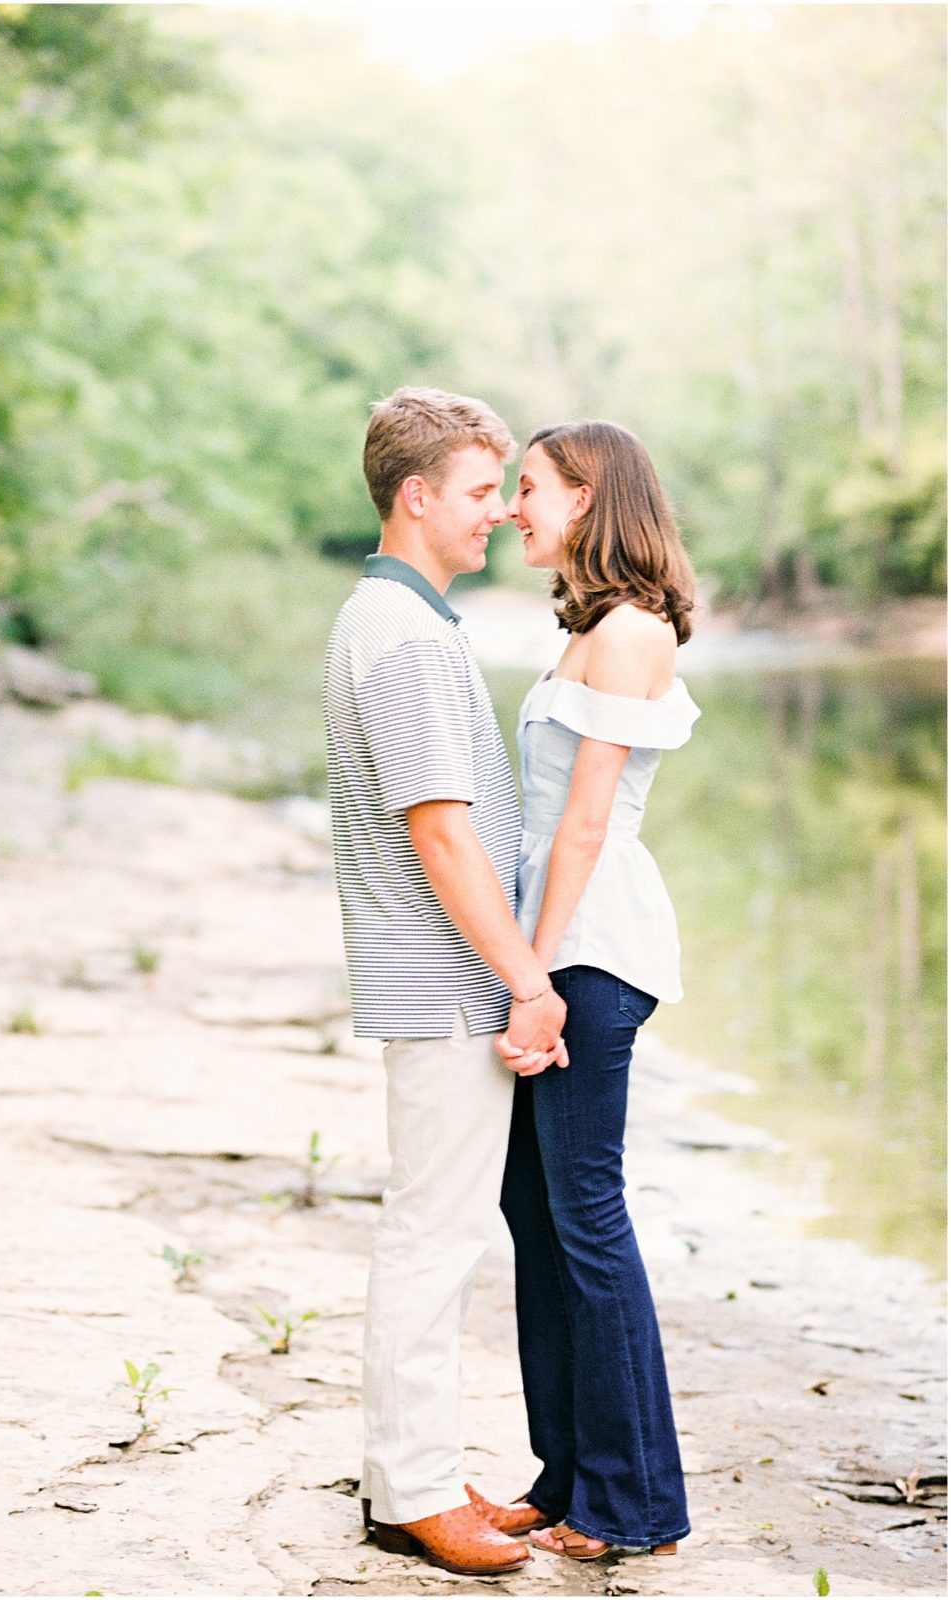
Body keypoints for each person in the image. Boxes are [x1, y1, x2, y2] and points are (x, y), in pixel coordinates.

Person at [322, 387, 568, 1577]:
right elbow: (442, 833)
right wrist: (526, 978)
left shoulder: (397, 620)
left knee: (441, 1229)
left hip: (440, 978)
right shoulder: (406, 635)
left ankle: (407, 1468)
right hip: (449, 983)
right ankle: (413, 1493)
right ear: (415, 497)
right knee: (436, 1236)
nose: (496, 515)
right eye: (480, 492)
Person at [466, 419, 698, 1561]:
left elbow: (587, 821)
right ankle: (563, 1477)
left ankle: (630, 1505)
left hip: (590, 952)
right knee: (533, 1209)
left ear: (588, 497)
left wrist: (537, 977)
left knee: (586, 1215)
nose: (514, 507)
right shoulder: (593, 627)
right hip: (555, 947)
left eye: (530, 489)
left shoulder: (631, 633)